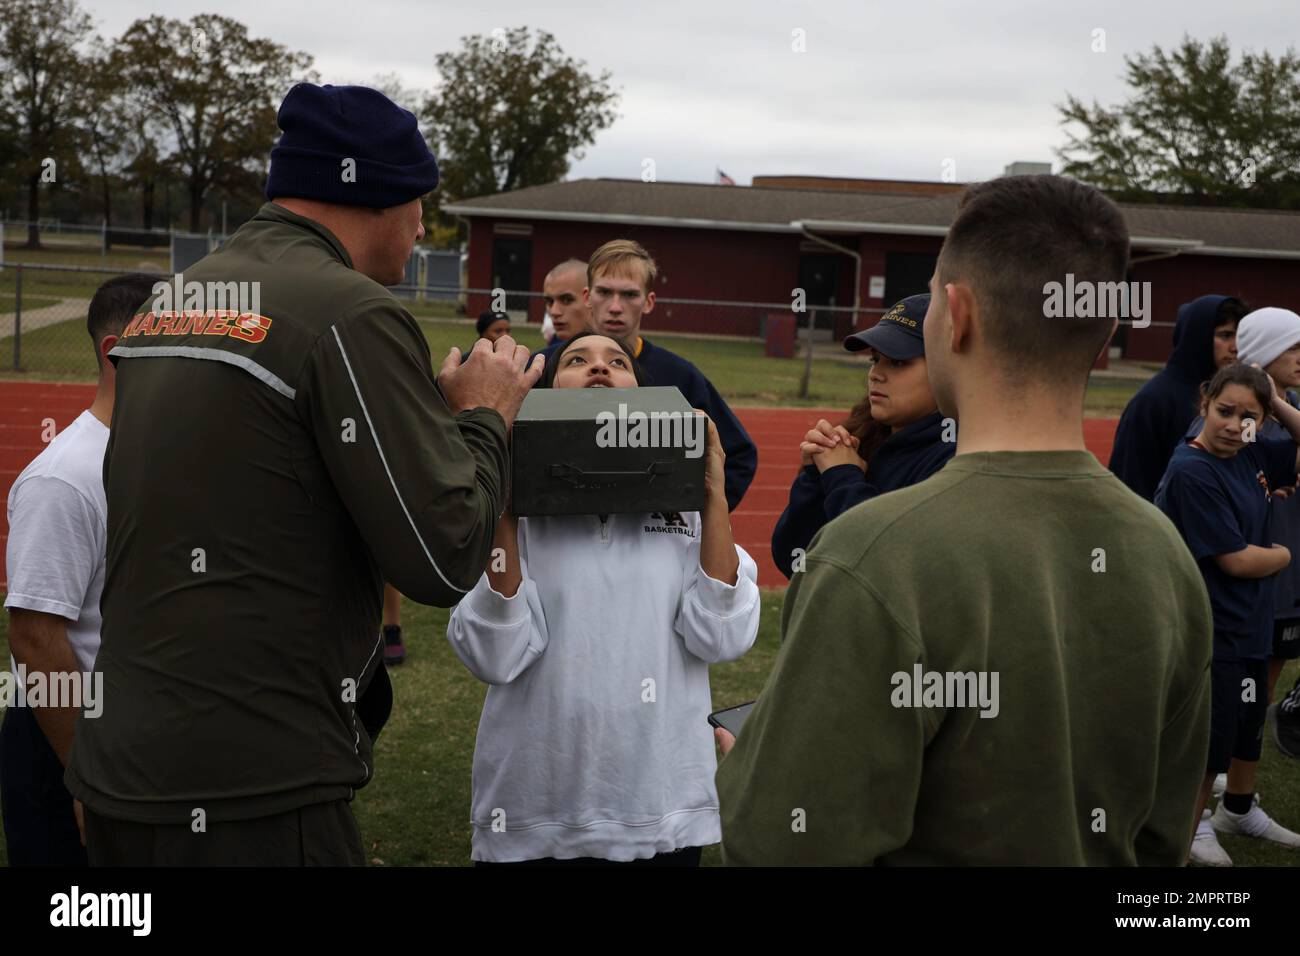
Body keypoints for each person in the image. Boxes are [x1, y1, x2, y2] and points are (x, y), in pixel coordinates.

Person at [64, 83, 541, 866]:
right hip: (253, 787)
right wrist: (484, 418)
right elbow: (442, 555)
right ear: (380, 197)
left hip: (123, 763)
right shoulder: (351, 311)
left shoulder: (171, 302)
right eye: (420, 200)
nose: (423, 226)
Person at [715, 174, 1211, 866]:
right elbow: (1164, 832)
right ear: (1102, 331)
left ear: (959, 314)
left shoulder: (872, 553)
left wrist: (750, 774)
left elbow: (782, 843)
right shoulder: (1167, 553)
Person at [446, 330, 760, 864]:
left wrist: (712, 500)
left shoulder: (687, 517)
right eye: (576, 360)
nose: (599, 367)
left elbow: (723, 636)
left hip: (661, 809)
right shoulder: (510, 517)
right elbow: (495, 657)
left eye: (618, 361)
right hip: (534, 812)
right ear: (544, 392)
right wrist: (503, 500)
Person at [1, 274, 157, 866]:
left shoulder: (161, 454)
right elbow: (35, 639)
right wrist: (84, 775)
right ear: (115, 353)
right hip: (67, 745)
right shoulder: (63, 478)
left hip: (138, 745)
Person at [1156, 363, 1300, 866]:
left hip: (1246, 631)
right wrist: (1281, 555)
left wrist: (1274, 403)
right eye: (1224, 410)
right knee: (1200, 761)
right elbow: (1236, 559)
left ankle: (1209, 824)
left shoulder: (1249, 448)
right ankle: (1171, 851)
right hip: (1210, 636)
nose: (1233, 424)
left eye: (1247, 416)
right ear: (1203, 404)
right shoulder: (1192, 470)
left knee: (1229, 744)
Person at [770, 293, 954, 578]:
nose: (875, 374)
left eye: (898, 363)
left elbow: (881, 569)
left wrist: (843, 478)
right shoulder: (863, 436)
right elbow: (793, 561)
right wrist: (814, 478)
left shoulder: (951, 458)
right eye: (875, 359)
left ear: (946, 369)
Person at [584, 239, 757, 511]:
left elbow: (738, 455)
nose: (615, 306)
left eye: (629, 295)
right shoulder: (547, 365)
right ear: (587, 297)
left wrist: (696, 519)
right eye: (604, 292)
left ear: (649, 302)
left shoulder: (680, 376)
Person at [1109, 294, 1247, 499]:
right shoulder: (1153, 401)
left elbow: (1249, 456)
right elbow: (1130, 482)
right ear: (1197, 337)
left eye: (1240, 336)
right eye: (1225, 335)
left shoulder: (1241, 397)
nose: (1235, 347)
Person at [541, 258, 591, 345]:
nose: (554, 312)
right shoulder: (544, 357)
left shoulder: (618, 354)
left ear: (590, 298)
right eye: (549, 301)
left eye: (566, 300)